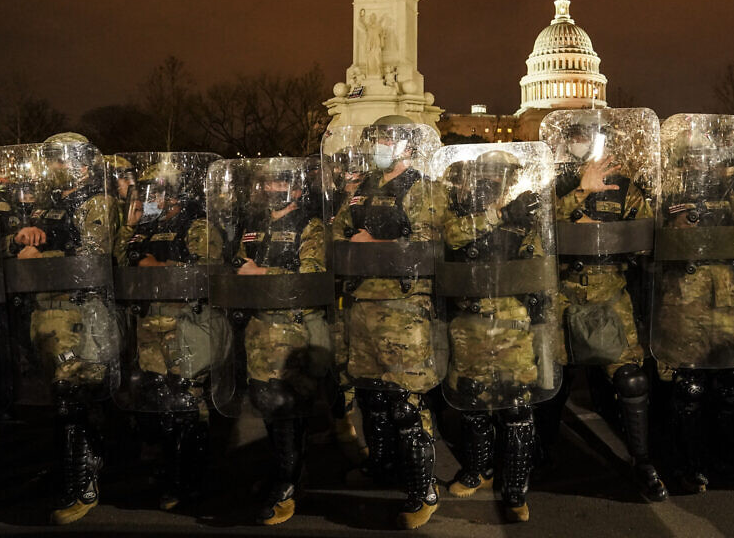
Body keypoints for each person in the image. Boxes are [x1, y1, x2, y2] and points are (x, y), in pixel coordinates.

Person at [0, 133, 118, 524]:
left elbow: (94, 257)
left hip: (81, 314)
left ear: (80, 163)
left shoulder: (98, 201)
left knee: (73, 396)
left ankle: (81, 485)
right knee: (67, 399)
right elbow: (8, 243)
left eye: (59, 161)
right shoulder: (48, 205)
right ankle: (79, 469)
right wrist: (19, 238)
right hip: (46, 314)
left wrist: (41, 255)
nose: (52, 168)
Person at [541, 111, 667, 501]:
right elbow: (539, 227)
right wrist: (579, 193)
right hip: (560, 293)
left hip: (608, 293)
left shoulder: (627, 189)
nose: (580, 141)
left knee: (631, 378)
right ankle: (542, 453)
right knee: (552, 380)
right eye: (574, 135)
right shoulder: (554, 184)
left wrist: (596, 231)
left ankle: (643, 460)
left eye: (587, 135)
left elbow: (644, 238)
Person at [330, 115, 441, 530]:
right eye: (373, 139)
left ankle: (422, 490)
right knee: (372, 398)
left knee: (405, 403)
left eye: (382, 140)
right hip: (362, 305)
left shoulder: (421, 188)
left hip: (403, 309)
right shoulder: (362, 192)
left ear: (406, 147)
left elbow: (427, 248)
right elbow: (338, 235)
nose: (375, 146)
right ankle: (382, 467)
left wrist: (372, 244)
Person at [208, 157, 333, 525]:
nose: (272, 190)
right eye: (267, 184)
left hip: (293, 331)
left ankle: (287, 486)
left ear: (296, 188)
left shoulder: (309, 227)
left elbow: (311, 275)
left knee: (287, 410)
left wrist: (261, 272)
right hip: (259, 332)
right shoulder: (254, 226)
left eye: (280, 184)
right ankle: (288, 472)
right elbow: (236, 263)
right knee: (267, 407)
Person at [436, 148, 558, 521]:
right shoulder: (461, 214)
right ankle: (480, 470)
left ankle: (516, 486)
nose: (492, 182)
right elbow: (453, 237)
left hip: (513, 323)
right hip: (471, 323)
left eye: (499, 175)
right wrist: (499, 214)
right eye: (486, 175)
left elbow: (540, 261)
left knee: (517, 407)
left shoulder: (528, 217)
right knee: (473, 405)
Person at [653, 115, 734, 493]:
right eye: (692, 159)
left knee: (732, 383)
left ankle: (728, 456)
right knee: (690, 386)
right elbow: (650, 240)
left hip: (729, 297)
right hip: (685, 300)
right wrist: (679, 227)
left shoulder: (733, 191)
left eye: (706, 158)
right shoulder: (665, 195)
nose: (700, 165)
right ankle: (691, 462)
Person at [113, 154, 220, 510]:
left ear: (173, 194)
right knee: (159, 401)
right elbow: (119, 257)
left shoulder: (197, 225)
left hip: (185, 323)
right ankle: (169, 471)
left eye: (153, 192)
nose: (146, 200)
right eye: (143, 193)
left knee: (188, 400)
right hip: (150, 324)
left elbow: (208, 270)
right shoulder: (144, 226)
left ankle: (191, 481)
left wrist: (157, 266)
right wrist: (130, 226)